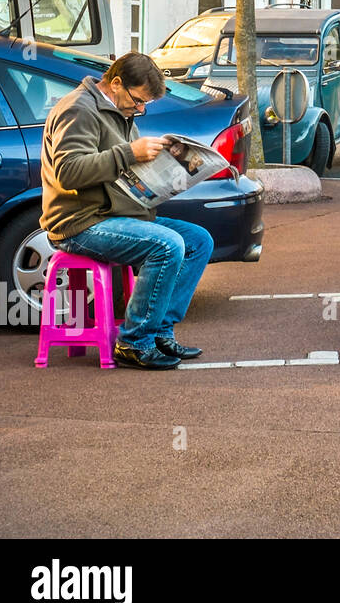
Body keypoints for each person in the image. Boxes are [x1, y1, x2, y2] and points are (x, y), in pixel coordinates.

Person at [40, 52, 214, 370]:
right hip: (81, 222)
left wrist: (166, 178)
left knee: (198, 241)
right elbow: (68, 172)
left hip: (116, 214)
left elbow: (123, 173)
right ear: (116, 83)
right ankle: (133, 343)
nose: (141, 109)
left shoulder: (119, 111)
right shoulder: (79, 110)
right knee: (167, 245)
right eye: (138, 101)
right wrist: (129, 152)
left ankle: (159, 331)